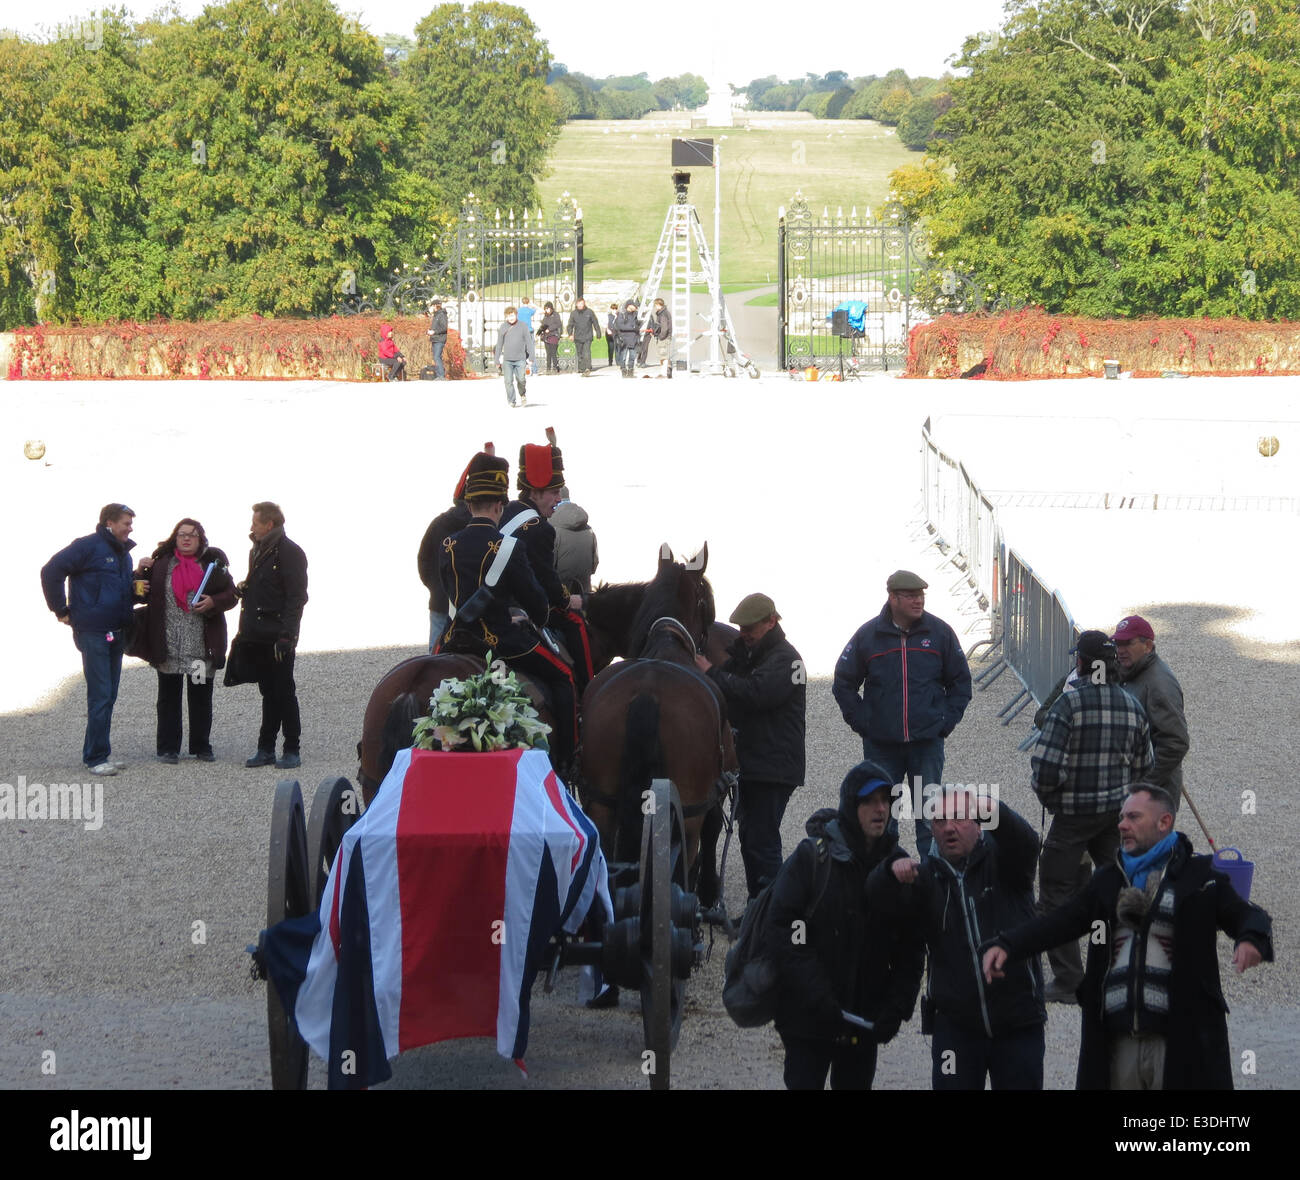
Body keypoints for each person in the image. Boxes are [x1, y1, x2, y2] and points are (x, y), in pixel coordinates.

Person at [983, 783, 1273, 1090]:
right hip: (1118, 1041)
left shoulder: (1200, 876)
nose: (1122, 824)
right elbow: (1060, 921)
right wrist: (1008, 944)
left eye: (1133, 817)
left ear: (1164, 822)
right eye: (1122, 817)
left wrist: (1251, 938)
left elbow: (1246, 913)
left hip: (1181, 1040)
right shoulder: (1107, 879)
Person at [868, 788, 1046, 1090]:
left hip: (1018, 1020)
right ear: (931, 831)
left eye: (959, 818)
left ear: (979, 823)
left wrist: (995, 810)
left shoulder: (1007, 866)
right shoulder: (924, 880)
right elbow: (877, 906)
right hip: (956, 1028)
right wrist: (888, 871)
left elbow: (1027, 843)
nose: (949, 827)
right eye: (939, 820)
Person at [765, 762, 925, 1089]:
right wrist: (818, 997)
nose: (880, 809)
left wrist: (896, 1009)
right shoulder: (812, 857)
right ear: (852, 806)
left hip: (862, 1024)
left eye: (886, 800)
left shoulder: (899, 866)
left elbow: (912, 947)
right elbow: (783, 930)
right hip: (807, 1020)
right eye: (870, 801)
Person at [1030, 629, 1154, 1002]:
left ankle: (1068, 979)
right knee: (1121, 889)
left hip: (1072, 815)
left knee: (1055, 893)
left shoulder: (1068, 706)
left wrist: (1051, 797)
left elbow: (1047, 767)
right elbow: (1144, 767)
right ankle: (1123, 971)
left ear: (1081, 663)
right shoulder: (1132, 705)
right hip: (1115, 815)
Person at [439, 449, 577, 774]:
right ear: (500, 504)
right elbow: (539, 608)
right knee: (564, 677)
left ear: (471, 503)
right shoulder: (508, 547)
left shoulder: (447, 546)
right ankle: (569, 761)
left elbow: (452, 594)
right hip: (500, 644)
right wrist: (525, 616)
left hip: (454, 639)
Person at [831, 569, 972, 855]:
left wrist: (944, 721)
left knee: (929, 817)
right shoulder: (868, 636)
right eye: (910, 596)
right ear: (893, 598)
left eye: (920, 595)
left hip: (926, 744)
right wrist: (863, 722)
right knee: (883, 819)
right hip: (882, 747)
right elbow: (843, 682)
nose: (918, 601)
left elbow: (961, 682)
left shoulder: (940, 633)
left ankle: (933, 880)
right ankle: (884, 879)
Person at [694, 592, 806, 899]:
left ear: (771, 622)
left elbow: (757, 694)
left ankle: (771, 915)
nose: (744, 634)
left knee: (763, 842)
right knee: (751, 838)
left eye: (750, 628)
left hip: (773, 767)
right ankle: (760, 909)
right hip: (758, 765)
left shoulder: (788, 660)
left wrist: (712, 672)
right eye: (741, 628)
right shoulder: (754, 655)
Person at [41, 504, 138, 775]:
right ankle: (95, 758)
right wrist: (61, 610)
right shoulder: (87, 546)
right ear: (109, 522)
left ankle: (100, 751)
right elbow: (51, 571)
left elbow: (118, 590)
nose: (130, 528)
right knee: (101, 694)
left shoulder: (122, 554)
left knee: (109, 695)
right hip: (94, 632)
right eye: (126, 523)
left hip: (116, 630)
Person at [133, 518, 238, 763]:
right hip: (168, 647)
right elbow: (136, 595)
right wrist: (139, 573)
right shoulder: (161, 564)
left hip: (199, 649)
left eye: (192, 535)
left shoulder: (212, 565)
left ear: (200, 538)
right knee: (168, 698)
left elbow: (232, 594)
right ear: (175, 537)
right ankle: (168, 748)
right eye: (182, 534)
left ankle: (201, 746)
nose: (186, 539)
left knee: (200, 696)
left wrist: (214, 602)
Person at [502, 433, 591, 706]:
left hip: (498, 601)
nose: (557, 499)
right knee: (575, 621)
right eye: (553, 492)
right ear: (535, 491)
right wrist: (568, 599)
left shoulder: (508, 510)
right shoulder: (540, 529)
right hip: (519, 606)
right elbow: (547, 583)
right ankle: (587, 693)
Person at [236, 502, 309, 770]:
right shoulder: (258, 550)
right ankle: (265, 748)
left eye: (255, 522)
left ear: (269, 524)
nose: (251, 527)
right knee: (269, 692)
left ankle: (292, 748)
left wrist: (287, 636)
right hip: (258, 634)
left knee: (284, 691)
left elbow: (296, 597)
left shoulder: (290, 553)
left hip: (278, 635)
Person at [1112, 614, 1189, 808]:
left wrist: (1142, 786)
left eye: (1127, 643)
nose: (1120, 650)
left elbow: (1175, 744)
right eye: (1118, 644)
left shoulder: (1159, 685)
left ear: (1148, 646)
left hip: (1151, 799)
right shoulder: (1130, 672)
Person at [417, 479, 472, 652]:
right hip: (470, 603)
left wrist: (435, 586)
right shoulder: (482, 524)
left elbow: (423, 560)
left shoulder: (438, 523)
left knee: (435, 654)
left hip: (440, 600)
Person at [550, 486, 598, 596]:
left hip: (559, 597)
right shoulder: (589, 529)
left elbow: (548, 566)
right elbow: (594, 564)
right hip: (584, 594)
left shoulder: (551, 529)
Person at [494, 306, 533, 408]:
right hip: (507, 360)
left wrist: (531, 357)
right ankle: (512, 400)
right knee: (508, 381)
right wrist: (496, 359)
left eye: (512, 315)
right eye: (508, 316)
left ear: (516, 315)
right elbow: (499, 344)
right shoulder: (503, 327)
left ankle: (522, 394)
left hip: (520, 358)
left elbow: (529, 342)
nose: (510, 318)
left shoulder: (523, 326)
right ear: (506, 317)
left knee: (521, 379)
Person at [567, 297, 602, 377]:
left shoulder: (589, 312)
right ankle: (582, 368)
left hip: (587, 336)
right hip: (578, 336)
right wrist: (570, 334)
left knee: (586, 352)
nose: (580, 306)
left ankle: (587, 368)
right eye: (579, 304)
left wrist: (598, 333)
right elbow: (570, 325)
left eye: (582, 304)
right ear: (576, 304)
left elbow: (595, 323)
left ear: (584, 303)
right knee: (579, 353)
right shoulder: (573, 313)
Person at [645, 296, 672, 375]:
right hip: (665, 337)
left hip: (664, 338)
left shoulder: (663, 314)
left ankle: (664, 373)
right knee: (664, 355)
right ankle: (666, 372)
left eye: (655, 305)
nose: (655, 307)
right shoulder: (664, 312)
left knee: (663, 355)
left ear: (658, 305)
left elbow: (664, 328)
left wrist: (660, 337)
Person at [613, 300, 641, 378]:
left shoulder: (636, 315)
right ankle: (623, 370)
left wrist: (637, 329)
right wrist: (633, 328)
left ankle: (631, 370)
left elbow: (638, 325)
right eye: (634, 306)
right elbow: (621, 326)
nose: (635, 307)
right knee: (623, 356)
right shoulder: (622, 314)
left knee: (632, 356)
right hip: (624, 339)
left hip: (633, 339)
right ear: (629, 306)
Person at [536, 301, 562, 374]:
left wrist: (549, 329)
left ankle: (555, 367)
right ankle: (548, 368)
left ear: (551, 308)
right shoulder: (545, 316)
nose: (546, 310)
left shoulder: (556, 315)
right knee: (548, 353)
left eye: (547, 309)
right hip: (546, 337)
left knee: (553, 353)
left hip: (553, 335)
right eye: (545, 309)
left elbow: (558, 324)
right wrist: (538, 333)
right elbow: (543, 325)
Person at [426, 299, 448, 380]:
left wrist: (434, 332)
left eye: (432, 306)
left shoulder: (441, 314)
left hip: (439, 339)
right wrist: (429, 331)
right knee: (436, 357)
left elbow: (444, 328)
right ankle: (439, 375)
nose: (431, 308)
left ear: (435, 305)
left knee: (437, 357)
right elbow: (436, 327)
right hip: (435, 339)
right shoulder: (436, 315)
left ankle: (441, 376)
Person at [604, 303, 618, 368]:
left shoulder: (619, 316)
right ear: (611, 309)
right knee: (611, 347)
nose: (614, 310)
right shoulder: (608, 316)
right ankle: (610, 361)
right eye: (613, 309)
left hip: (617, 333)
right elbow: (606, 324)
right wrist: (607, 330)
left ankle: (618, 361)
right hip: (609, 333)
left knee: (617, 347)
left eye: (615, 309)